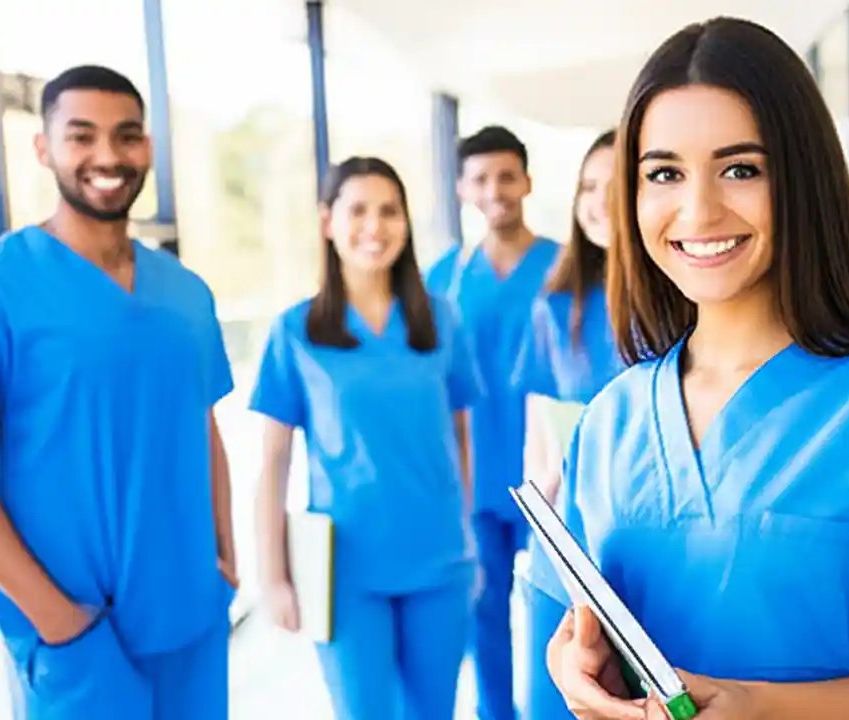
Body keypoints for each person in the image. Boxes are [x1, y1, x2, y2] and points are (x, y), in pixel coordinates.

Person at [538, 18, 849, 720]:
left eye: (740, 168)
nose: (699, 209)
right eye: (664, 174)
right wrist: (570, 660)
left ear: (803, 179)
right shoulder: (610, 420)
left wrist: (761, 707)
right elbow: (578, 623)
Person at [0, 65, 237, 719]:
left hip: (192, 620)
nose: (107, 156)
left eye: (127, 135)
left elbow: (199, 424)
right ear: (44, 148)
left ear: (147, 147)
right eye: (81, 136)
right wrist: (59, 622)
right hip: (79, 642)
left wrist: (223, 560)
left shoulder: (186, 293)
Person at [252, 156, 483, 720]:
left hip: (438, 562)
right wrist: (275, 574)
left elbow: (460, 439)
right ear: (329, 221)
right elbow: (273, 464)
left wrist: (465, 535)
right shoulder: (296, 331)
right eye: (357, 211)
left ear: (406, 223)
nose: (374, 227)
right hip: (343, 571)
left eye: (388, 211)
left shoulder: (442, 321)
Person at [426, 125, 562, 720]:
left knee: (553, 614)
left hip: (551, 476)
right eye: (480, 178)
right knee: (484, 616)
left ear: (527, 181)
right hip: (476, 477)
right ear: (461, 188)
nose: (495, 189)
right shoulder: (441, 280)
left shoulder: (565, 267)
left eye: (507, 175)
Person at [510, 129, 621, 720]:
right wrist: (540, 546)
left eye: (617, 185)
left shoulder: (691, 306)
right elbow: (541, 441)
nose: (598, 201)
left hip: (647, 546)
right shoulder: (557, 306)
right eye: (587, 186)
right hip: (567, 545)